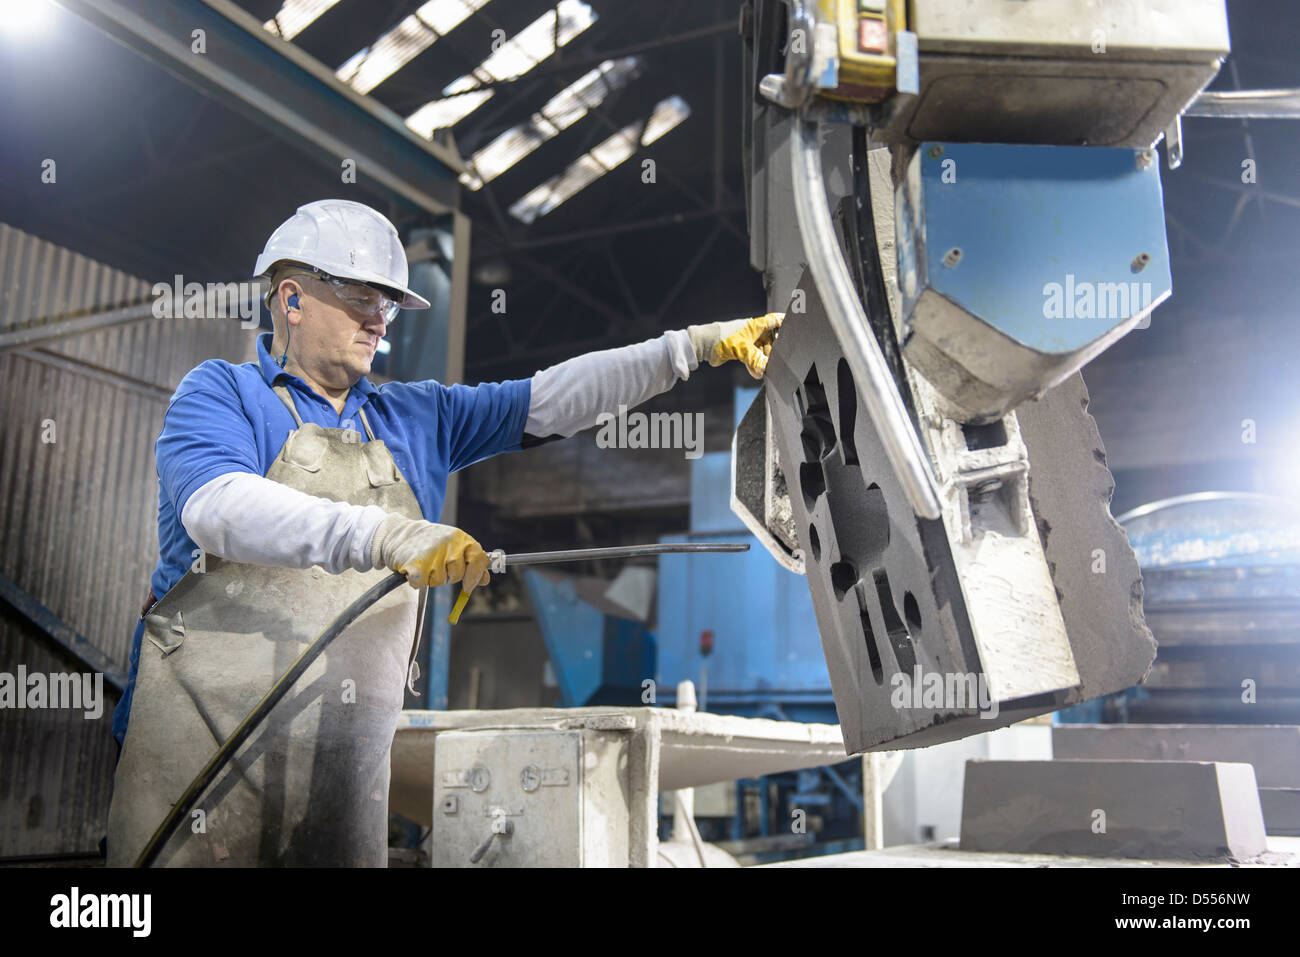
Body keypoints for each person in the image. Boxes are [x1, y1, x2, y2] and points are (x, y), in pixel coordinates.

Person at [106, 198, 782, 866]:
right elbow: (218, 507)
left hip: (339, 782)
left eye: (389, 303)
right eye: (362, 297)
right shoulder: (221, 392)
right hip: (198, 762)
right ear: (290, 298)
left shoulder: (416, 416)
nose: (379, 318)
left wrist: (689, 348)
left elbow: (553, 397)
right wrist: (390, 535)